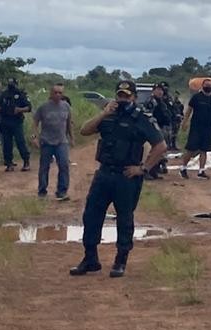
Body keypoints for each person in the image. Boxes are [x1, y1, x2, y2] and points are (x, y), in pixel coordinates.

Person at [70, 80, 167, 278]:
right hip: (104, 173)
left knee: (124, 219)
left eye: (126, 96)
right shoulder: (107, 115)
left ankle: (120, 261)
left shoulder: (140, 118)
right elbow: (84, 130)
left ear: (134, 97)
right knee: (91, 215)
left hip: (126, 176)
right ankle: (90, 259)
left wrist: (143, 168)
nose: (123, 99)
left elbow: (161, 146)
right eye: (120, 95)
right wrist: (104, 113)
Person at [32, 83, 74, 200]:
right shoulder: (43, 107)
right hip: (46, 141)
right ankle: (42, 192)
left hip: (61, 141)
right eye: (55, 92)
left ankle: (62, 191)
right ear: (51, 93)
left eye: (60, 93)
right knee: (44, 167)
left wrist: (72, 138)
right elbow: (35, 122)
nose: (57, 95)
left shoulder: (66, 106)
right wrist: (34, 137)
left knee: (64, 165)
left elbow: (69, 123)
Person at [177, 79, 211, 179]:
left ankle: (201, 171)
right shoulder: (196, 98)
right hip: (196, 128)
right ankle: (183, 168)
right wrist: (184, 122)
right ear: (202, 86)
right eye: (206, 85)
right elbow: (189, 110)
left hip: (208, 128)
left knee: (204, 150)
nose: (208, 87)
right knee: (191, 149)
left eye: (210, 85)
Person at [0, 78, 32, 172]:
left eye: (12, 83)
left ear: (16, 84)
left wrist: (20, 110)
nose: (11, 84)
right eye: (9, 83)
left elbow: (29, 107)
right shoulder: (4, 94)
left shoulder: (21, 94)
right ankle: (9, 163)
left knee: (20, 142)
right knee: (7, 144)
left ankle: (26, 162)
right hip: (5, 121)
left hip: (17, 122)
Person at [143, 82, 175, 179]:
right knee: (154, 150)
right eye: (158, 90)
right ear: (153, 91)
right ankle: (147, 171)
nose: (160, 92)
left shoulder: (161, 101)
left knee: (160, 152)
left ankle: (154, 171)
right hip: (154, 128)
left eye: (161, 90)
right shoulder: (151, 101)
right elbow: (148, 115)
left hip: (162, 127)